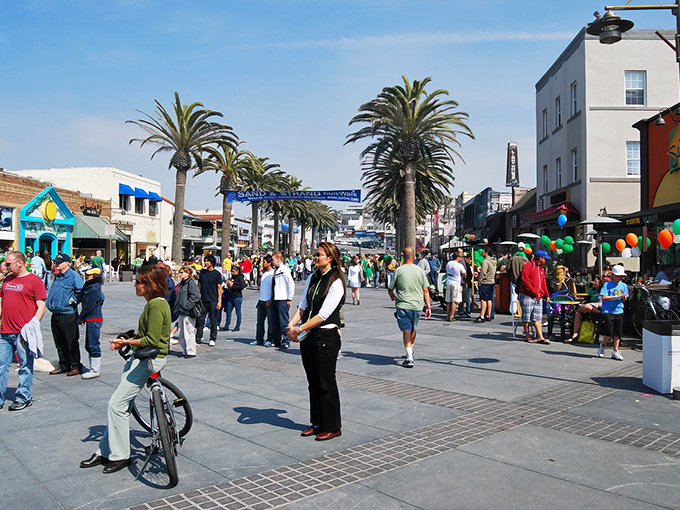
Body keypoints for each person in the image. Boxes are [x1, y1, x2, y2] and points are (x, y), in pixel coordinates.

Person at [80, 265, 171, 474]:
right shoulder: (154, 304)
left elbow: (152, 339)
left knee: (116, 404)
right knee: (121, 405)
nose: (135, 285)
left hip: (151, 359)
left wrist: (126, 342)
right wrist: (128, 340)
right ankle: (104, 450)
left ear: (150, 285)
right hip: (146, 358)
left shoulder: (156, 305)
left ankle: (121, 455)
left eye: (139, 282)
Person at [287, 242, 346, 441]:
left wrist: (299, 329)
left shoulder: (336, 281)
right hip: (309, 336)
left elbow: (323, 315)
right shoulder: (313, 277)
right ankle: (317, 423)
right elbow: (303, 305)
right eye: (315, 254)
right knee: (313, 382)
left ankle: (333, 426)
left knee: (326, 382)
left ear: (330, 258)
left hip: (326, 336)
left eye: (319, 255)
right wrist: (291, 325)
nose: (315, 257)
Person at [0, 251, 47, 411]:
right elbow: (2, 301)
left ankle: (23, 397)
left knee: (25, 366)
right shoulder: (7, 280)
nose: (5, 266)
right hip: (4, 331)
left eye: (8, 264)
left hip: (22, 333)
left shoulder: (34, 281)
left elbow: (41, 305)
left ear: (20, 263)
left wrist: (33, 323)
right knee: (1, 366)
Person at [388, 247, 431, 368]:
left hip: (403, 304)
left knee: (406, 329)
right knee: (413, 328)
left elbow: (390, 288)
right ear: (413, 256)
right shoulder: (419, 271)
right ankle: (410, 349)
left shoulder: (399, 270)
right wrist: (428, 306)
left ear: (404, 256)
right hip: (417, 305)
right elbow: (425, 290)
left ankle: (409, 357)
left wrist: (392, 296)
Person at [47, 254, 85, 376]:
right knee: (59, 342)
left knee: (71, 341)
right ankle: (64, 365)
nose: (56, 264)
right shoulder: (58, 276)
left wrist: (71, 301)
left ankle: (75, 365)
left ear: (67, 263)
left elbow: (81, 291)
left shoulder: (73, 276)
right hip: (56, 313)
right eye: (56, 262)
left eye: (59, 262)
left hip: (68, 314)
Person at [518, 250, 551, 344]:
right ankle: (528, 335)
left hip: (538, 296)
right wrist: (533, 291)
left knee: (537, 317)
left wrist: (546, 295)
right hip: (527, 295)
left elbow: (543, 283)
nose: (545, 260)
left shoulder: (541, 269)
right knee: (526, 317)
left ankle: (540, 337)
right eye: (544, 258)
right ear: (540, 258)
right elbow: (525, 279)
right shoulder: (528, 265)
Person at [77, 267, 105, 379]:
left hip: (94, 318)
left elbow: (89, 305)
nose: (86, 277)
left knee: (93, 344)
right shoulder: (92, 286)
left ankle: (95, 370)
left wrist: (81, 317)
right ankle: (93, 368)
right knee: (90, 343)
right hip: (92, 318)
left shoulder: (93, 288)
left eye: (88, 276)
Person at [599, 265, 628, 360]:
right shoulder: (607, 285)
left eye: (621, 276)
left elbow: (625, 297)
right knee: (609, 332)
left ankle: (615, 351)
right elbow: (603, 297)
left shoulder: (623, 286)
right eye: (618, 276)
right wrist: (616, 297)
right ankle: (603, 345)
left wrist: (623, 298)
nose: (620, 278)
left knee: (618, 333)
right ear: (613, 275)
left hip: (619, 310)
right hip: (608, 310)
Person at [569, 273, 607, 343]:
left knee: (586, 307)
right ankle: (575, 334)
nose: (594, 283)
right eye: (594, 281)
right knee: (578, 313)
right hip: (590, 309)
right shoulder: (591, 290)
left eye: (596, 282)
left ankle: (575, 310)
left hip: (599, 309)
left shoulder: (604, 290)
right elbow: (587, 299)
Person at [195, 254, 222, 347]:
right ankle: (198, 337)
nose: (206, 263)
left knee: (213, 320)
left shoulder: (217, 274)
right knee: (200, 320)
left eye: (208, 261)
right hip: (203, 300)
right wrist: (198, 297)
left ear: (212, 262)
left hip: (213, 300)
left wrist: (219, 301)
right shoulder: (202, 273)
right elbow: (200, 286)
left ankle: (212, 338)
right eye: (205, 261)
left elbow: (219, 288)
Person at [174, 265, 201, 358]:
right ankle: (185, 350)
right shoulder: (182, 283)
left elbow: (195, 296)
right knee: (182, 333)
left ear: (188, 273)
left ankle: (191, 351)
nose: (180, 274)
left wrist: (187, 306)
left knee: (189, 332)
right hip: (181, 311)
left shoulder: (191, 283)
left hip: (188, 312)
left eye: (182, 272)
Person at [271, 252, 295, 349]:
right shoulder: (275, 270)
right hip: (275, 298)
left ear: (278, 260)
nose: (272, 261)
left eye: (273, 260)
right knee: (275, 321)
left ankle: (286, 340)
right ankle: (276, 340)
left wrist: (289, 298)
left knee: (283, 321)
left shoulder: (284, 270)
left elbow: (291, 284)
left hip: (282, 298)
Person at [254, 255, 275, 347]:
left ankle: (270, 339)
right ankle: (259, 339)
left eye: (265, 262)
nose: (263, 264)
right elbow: (259, 285)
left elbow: (274, 288)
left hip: (268, 300)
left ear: (270, 263)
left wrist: (270, 299)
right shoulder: (264, 273)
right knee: (259, 322)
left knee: (270, 322)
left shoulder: (273, 274)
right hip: (261, 300)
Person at [475, 247, 497, 323]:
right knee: (489, 299)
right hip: (491, 281)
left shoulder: (485, 262)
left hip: (485, 282)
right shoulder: (493, 261)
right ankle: (489, 315)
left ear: (486, 253)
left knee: (483, 299)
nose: (482, 253)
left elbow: (483, 273)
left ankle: (482, 315)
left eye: (483, 252)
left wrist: (479, 281)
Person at [223, 264, 246, 332]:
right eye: (231, 272)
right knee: (228, 311)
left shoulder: (240, 277)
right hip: (231, 296)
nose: (232, 273)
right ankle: (227, 325)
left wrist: (233, 286)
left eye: (233, 272)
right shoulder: (232, 277)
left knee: (238, 312)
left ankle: (237, 326)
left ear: (237, 271)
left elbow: (242, 287)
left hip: (237, 296)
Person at [444, 251, 465, 322]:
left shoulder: (449, 263)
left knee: (448, 301)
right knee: (454, 301)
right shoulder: (459, 265)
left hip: (449, 282)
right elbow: (464, 273)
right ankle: (452, 316)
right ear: (458, 257)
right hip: (456, 283)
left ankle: (447, 315)